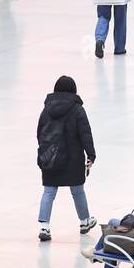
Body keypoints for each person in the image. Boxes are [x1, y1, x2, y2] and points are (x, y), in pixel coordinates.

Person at [35, 75, 97, 242]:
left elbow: (39, 132)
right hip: (73, 157)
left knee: (49, 191)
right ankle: (84, 221)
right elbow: (85, 133)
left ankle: (44, 226)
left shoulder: (46, 109)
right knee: (77, 190)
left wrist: (45, 150)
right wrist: (91, 154)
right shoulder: (77, 109)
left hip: (51, 156)